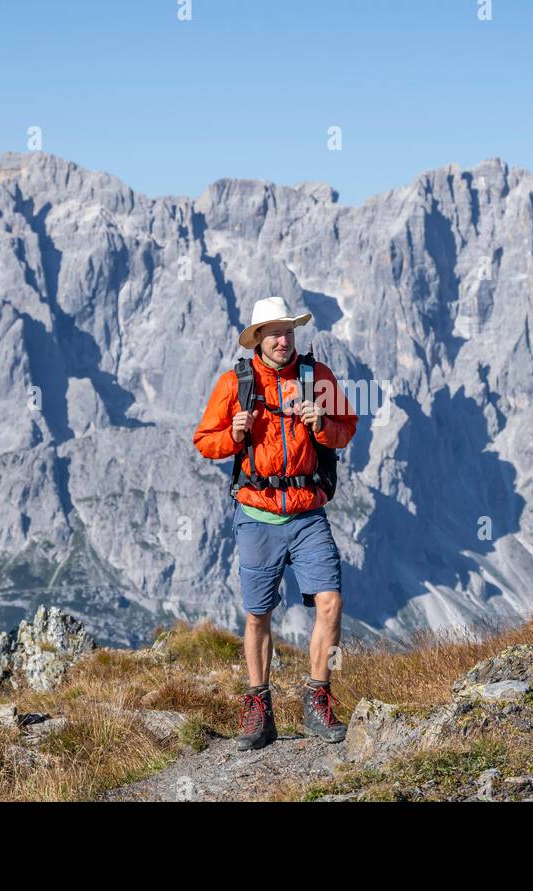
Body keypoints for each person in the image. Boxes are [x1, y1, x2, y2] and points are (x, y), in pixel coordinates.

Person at [192, 296, 359, 749]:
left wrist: (321, 423)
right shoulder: (236, 383)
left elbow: (347, 429)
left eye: (288, 331)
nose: (283, 340)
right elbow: (204, 440)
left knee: (331, 602)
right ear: (258, 339)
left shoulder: (316, 377)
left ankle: (318, 700)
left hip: (307, 511)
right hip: (256, 513)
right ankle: (258, 710)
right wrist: (235, 434)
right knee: (257, 616)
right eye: (274, 332)